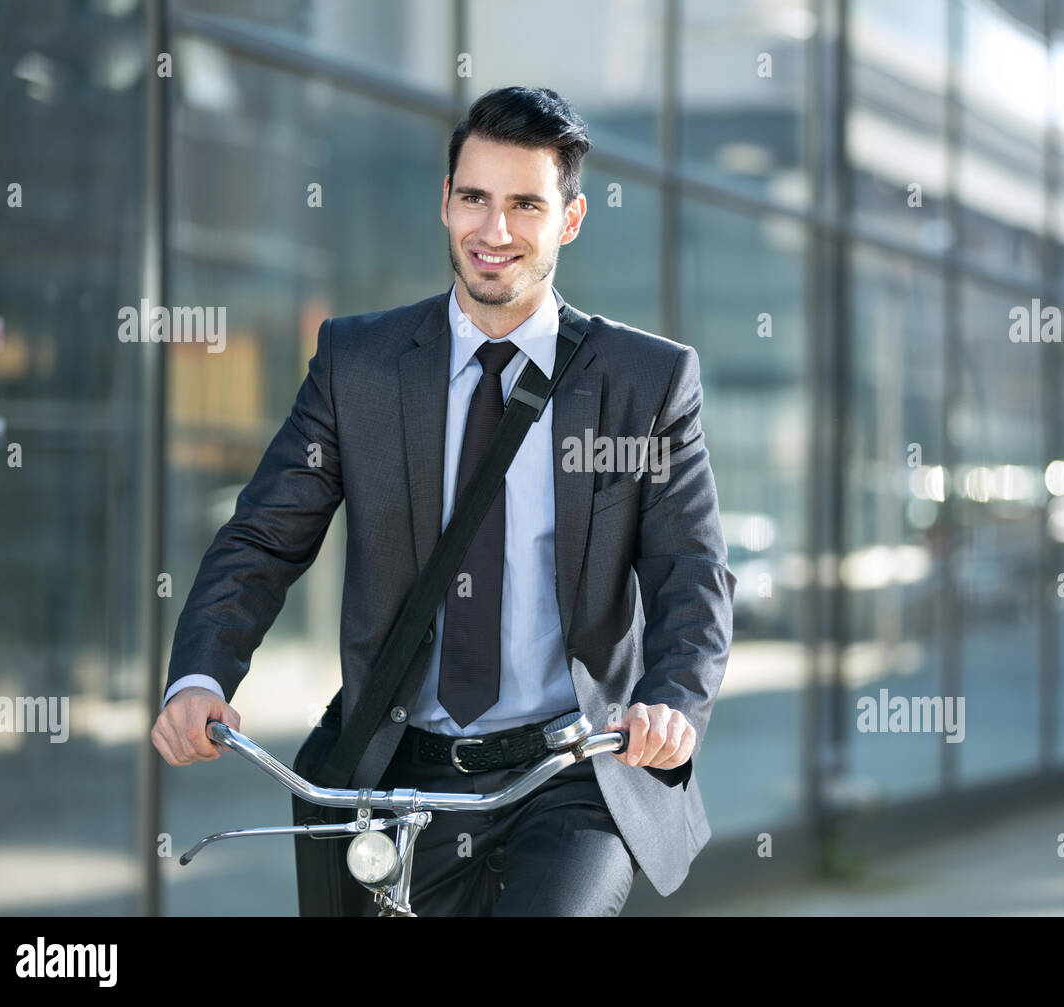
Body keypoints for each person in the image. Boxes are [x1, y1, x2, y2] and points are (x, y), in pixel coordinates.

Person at [151, 85, 737, 916]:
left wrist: (671, 699)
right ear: (445, 203)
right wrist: (201, 673)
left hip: (567, 775)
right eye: (474, 198)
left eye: (525, 204)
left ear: (569, 220)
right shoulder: (359, 363)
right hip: (398, 772)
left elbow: (693, 572)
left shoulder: (644, 383)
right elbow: (264, 536)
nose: (493, 231)